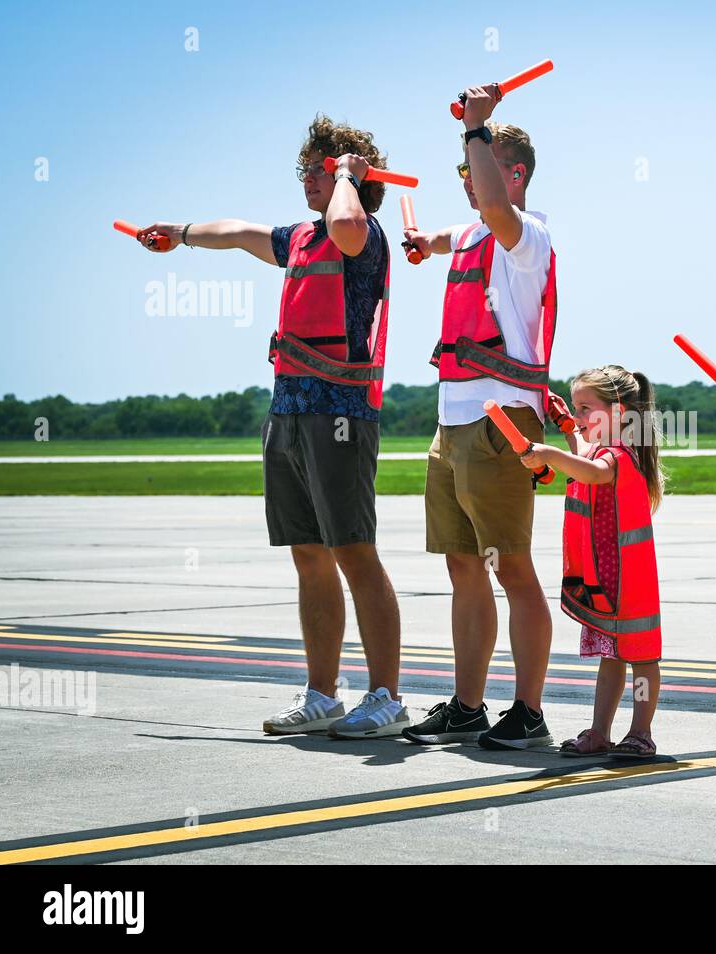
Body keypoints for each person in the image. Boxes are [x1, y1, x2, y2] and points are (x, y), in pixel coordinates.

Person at [134, 114, 405, 738]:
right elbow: (239, 232)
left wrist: (346, 179)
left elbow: (345, 222)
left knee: (354, 552)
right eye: (306, 169)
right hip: (288, 410)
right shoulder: (300, 238)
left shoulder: (363, 236)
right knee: (308, 553)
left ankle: (386, 697)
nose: (308, 179)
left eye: (321, 168)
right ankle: (323, 694)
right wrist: (181, 233)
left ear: (351, 177)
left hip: (341, 414)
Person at [400, 84, 558, 749]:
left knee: (511, 568)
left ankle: (528, 711)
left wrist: (473, 125)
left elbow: (492, 205)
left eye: (476, 169)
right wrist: (419, 240)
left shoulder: (525, 236)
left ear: (510, 170)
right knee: (462, 567)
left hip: (499, 426)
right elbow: (445, 234)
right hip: (453, 423)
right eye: (462, 174)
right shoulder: (470, 234)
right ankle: (468, 706)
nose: (468, 183)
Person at [519, 367, 665, 759]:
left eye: (587, 408)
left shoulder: (619, 456)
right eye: (578, 408)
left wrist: (549, 453)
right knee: (611, 659)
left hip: (628, 583)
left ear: (618, 412)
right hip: (604, 580)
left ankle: (641, 732)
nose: (581, 418)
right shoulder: (600, 450)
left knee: (641, 659)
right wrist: (566, 424)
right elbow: (582, 456)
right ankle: (600, 731)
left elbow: (591, 470)